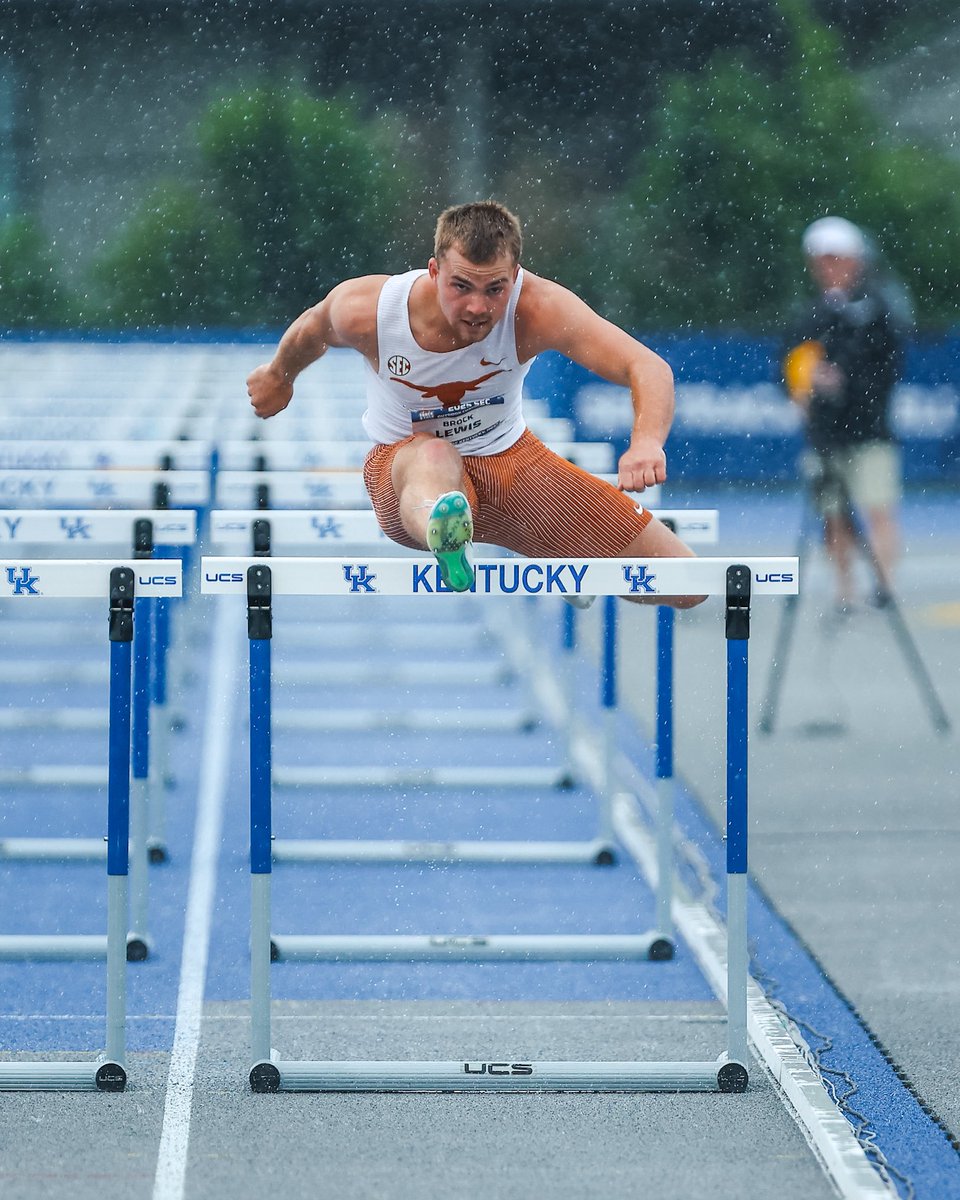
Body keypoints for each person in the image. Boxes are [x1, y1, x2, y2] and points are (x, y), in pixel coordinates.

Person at [247, 200, 703, 608]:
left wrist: (646, 442)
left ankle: (554, 551)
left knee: (687, 583)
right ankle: (446, 534)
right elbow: (312, 328)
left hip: (509, 461)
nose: (477, 308)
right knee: (434, 453)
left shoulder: (539, 308)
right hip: (406, 471)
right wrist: (278, 376)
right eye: (461, 286)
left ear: (516, 277)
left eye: (495, 289)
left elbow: (646, 366)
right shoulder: (371, 310)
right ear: (433, 271)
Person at [783, 215, 907, 611]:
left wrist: (845, 381)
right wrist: (806, 384)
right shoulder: (810, 314)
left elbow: (887, 367)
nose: (829, 269)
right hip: (825, 434)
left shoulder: (878, 309)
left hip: (869, 430)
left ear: (856, 261)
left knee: (877, 507)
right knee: (833, 515)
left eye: (836, 259)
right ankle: (844, 587)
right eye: (822, 261)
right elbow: (787, 365)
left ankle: (884, 585)